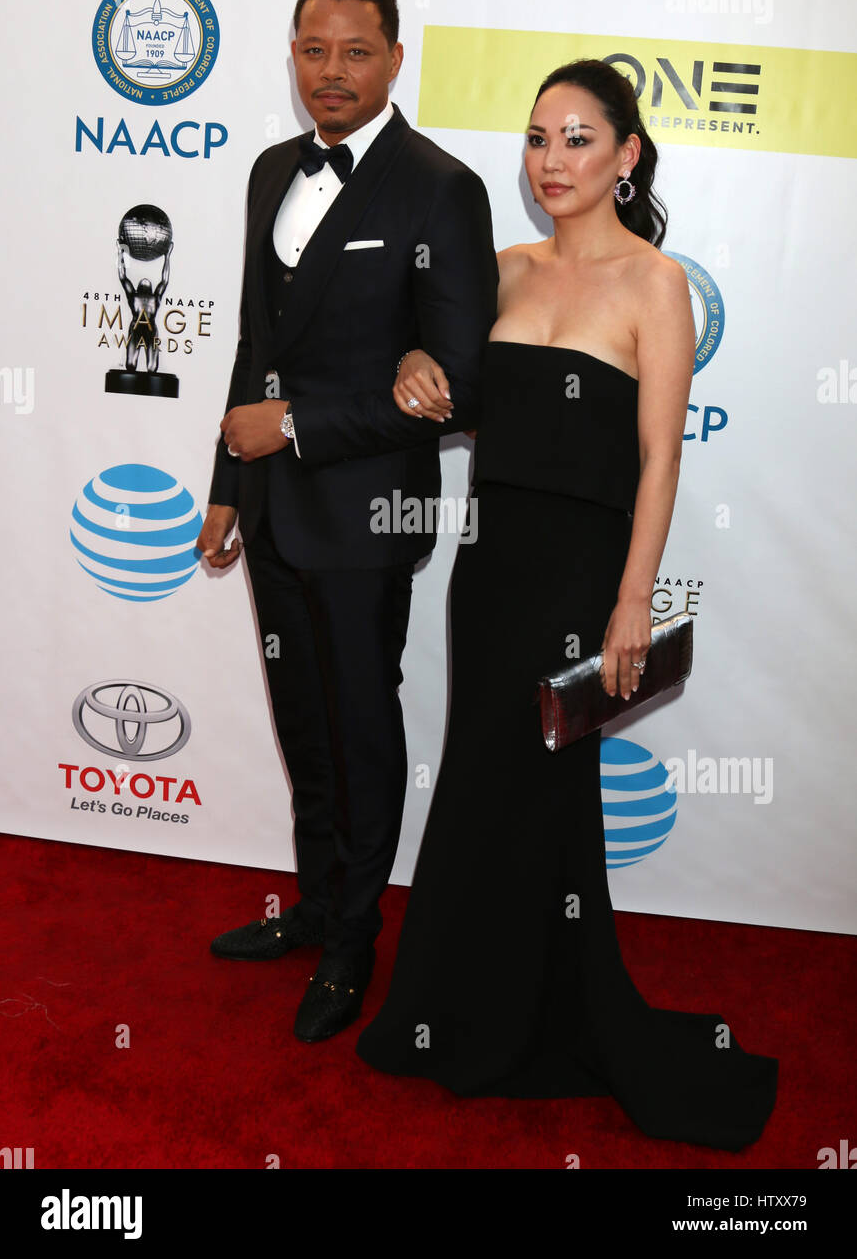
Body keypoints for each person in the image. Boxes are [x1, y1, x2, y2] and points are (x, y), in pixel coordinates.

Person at [355, 59, 778, 1150]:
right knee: (477, 782)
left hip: (582, 574)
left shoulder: (653, 286)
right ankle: (455, 1014)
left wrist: (631, 602)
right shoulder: (500, 270)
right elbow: (451, 396)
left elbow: (656, 461)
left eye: (578, 138)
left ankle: (538, 1014)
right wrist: (416, 371)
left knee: (543, 796)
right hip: (490, 562)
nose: (552, 159)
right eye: (538, 138)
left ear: (626, 154)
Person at [197, 0, 498, 1043]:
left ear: (394, 60)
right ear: (290, 54)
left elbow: (455, 378)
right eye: (312, 50)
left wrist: (297, 427)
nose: (331, 71)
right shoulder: (269, 170)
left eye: (355, 52)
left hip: (369, 515)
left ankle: (352, 939)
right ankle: (314, 901)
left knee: (361, 728)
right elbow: (252, 340)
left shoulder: (438, 187)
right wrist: (230, 484)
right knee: (302, 727)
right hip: (272, 508)